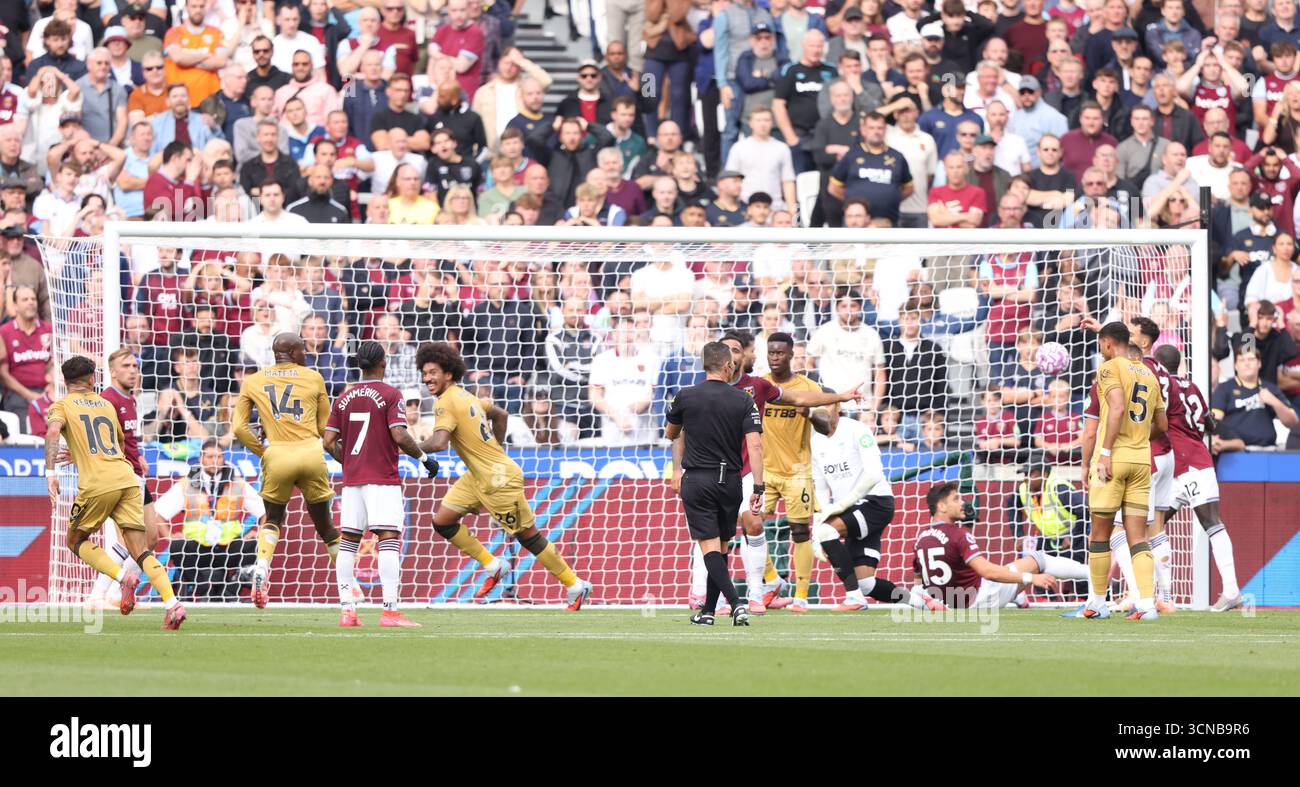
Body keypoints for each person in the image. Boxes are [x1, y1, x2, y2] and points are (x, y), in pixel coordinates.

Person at [415, 341, 593, 610]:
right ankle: (493, 565)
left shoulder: (446, 403)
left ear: (448, 374)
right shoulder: (466, 395)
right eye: (424, 373)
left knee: (528, 536)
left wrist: (404, 447)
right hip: (477, 476)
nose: (427, 378)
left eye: (432, 372)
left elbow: (439, 443)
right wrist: (494, 448)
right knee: (443, 522)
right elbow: (501, 414)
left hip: (498, 480)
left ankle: (575, 585)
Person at [45, 355, 187, 629]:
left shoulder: (61, 405)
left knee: (75, 540)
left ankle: (122, 578)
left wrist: (51, 473)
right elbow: (115, 445)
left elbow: (52, 434)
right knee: (142, 550)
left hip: (98, 483)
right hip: (127, 478)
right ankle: (173, 605)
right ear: (92, 379)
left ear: (65, 381)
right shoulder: (107, 405)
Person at [322, 342, 436, 628]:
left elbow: (327, 441)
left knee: (348, 542)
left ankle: (348, 611)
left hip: (352, 481)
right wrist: (423, 457)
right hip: (382, 479)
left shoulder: (343, 398)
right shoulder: (390, 394)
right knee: (388, 539)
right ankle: (390, 611)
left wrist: (347, 461)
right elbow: (398, 434)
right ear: (383, 363)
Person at [231, 333, 341, 608]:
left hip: (277, 454)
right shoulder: (313, 377)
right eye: (302, 348)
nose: (305, 353)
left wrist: (264, 451)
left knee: (273, 519)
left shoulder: (253, 381)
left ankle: (262, 567)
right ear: (292, 351)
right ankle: (348, 585)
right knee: (325, 526)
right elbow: (323, 428)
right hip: (311, 454)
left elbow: (238, 428)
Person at [666, 341, 764, 626]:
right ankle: (708, 611)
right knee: (721, 548)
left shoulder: (685, 396)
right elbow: (755, 446)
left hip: (699, 479)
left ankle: (735, 603)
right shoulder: (743, 400)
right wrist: (758, 487)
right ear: (726, 365)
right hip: (731, 481)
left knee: (709, 548)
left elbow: (672, 432)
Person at [1079, 322, 1167, 621]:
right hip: (1142, 461)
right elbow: (1162, 426)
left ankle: (1097, 602)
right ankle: (1147, 605)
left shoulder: (1109, 368)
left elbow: (1116, 408)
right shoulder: (1148, 373)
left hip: (1113, 461)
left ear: (1105, 344)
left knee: (1100, 533)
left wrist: (1104, 453)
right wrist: (1138, 440)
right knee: (1138, 536)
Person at [811, 403, 936, 612]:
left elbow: (874, 474)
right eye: (818, 404)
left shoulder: (856, 429)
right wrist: (818, 527)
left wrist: (839, 507)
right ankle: (919, 601)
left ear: (837, 406)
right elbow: (821, 490)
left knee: (827, 532)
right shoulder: (815, 443)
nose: (821, 408)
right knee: (866, 584)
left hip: (875, 502)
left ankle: (853, 597)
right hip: (849, 509)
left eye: (827, 404)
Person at [1156, 345, 1246, 612]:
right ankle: (1164, 597)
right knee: (1154, 526)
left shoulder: (1165, 388)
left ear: (1160, 367)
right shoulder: (1192, 387)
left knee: (1211, 523)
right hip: (1186, 464)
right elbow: (1210, 424)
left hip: (1189, 465)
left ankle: (1231, 590)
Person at [913, 481, 1086, 609]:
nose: (962, 503)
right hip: (980, 599)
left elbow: (918, 584)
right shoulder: (958, 534)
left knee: (1010, 569)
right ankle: (1090, 574)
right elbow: (988, 572)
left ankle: (1017, 596)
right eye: (956, 499)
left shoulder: (921, 538)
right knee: (1037, 560)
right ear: (942, 506)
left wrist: (929, 603)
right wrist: (1032, 579)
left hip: (952, 604)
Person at [84, 348, 167, 609]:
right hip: (121, 478)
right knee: (127, 540)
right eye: (127, 366)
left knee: (150, 538)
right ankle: (97, 595)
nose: (133, 370)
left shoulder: (130, 399)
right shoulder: (106, 401)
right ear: (112, 371)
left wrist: (138, 455)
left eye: (135, 365)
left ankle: (119, 593)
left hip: (136, 473)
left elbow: (127, 438)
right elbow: (102, 443)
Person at [157, 437, 264, 602]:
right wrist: (170, 536)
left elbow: (265, 512)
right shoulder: (187, 484)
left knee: (254, 545)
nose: (215, 461)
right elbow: (160, 513)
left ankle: (230, 590)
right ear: (201, 459)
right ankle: (201, 585)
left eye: (219, 457)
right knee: (177, 546)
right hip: (198, 546)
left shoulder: (237, 484)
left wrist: (259, 533)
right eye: (210, 457)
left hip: (228, 545)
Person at [1211, 346, 1299, 453]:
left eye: (1251, 359)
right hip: (1235, 451)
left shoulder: (1270, 388)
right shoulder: (1224, 388)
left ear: (1259, 363)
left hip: (1268, 451)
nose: (1247, 363)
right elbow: (1215, 421)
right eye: (1242, 360)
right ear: (1235, 366)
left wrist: (1274, 401)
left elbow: (1293, 422)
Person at [0, 286, 53, 427]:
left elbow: (55, 363)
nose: (31, 302)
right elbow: (3, 374)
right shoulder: (4, 332)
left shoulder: (49, 330)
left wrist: (51, 387)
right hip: (18, 394)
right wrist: (30, 395)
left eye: (33, 299)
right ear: (15, 306)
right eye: (25, 299)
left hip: (48, 391)